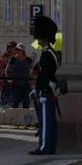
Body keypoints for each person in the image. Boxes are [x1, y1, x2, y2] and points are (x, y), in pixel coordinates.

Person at [29, 16, 61, 155]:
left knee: (46, 122)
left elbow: (44, 76)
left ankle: (45, 147)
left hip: (46, 91)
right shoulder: (49, 53)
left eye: (39, 37)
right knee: (47, 121)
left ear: (44, 37)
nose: (38, 40)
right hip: (48, 90)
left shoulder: (47, 55)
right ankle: (45, 145)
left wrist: (38, 90)